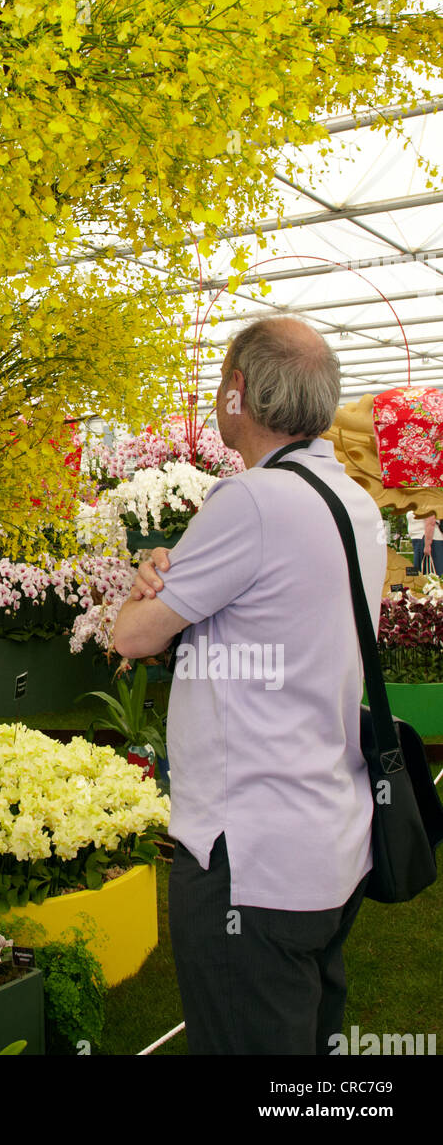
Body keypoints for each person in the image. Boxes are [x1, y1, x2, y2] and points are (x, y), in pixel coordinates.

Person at [112, 315, 383, 1055]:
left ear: (239, 391)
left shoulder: (252, 501)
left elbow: (130, 637)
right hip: (329, 837)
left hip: (249, 857)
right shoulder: (352, 502)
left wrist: (146, 583)